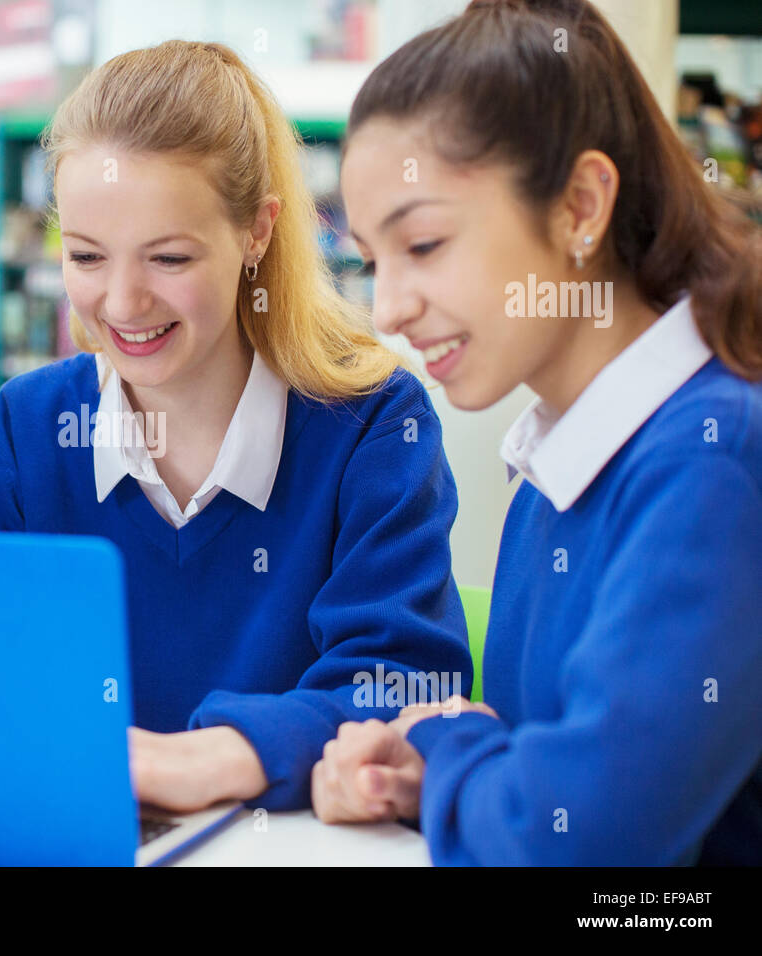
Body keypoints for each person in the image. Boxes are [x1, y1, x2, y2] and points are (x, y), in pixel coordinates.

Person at [0, 40, 470, 813]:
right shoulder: (31, 426)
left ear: (256, 232)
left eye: (168, 258)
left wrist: (214, 759)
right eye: (87, 257)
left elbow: (401, 683)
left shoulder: (372, 426)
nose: (122, 304)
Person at [315, 0, 762, 864]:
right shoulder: (556, 464)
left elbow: (571, 838)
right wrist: (428, 775)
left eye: (427, 243)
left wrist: (444, 742)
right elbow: (533, 770)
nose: (391, 311)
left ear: (581, 206)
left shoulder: (716, 461)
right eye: (375, 262)